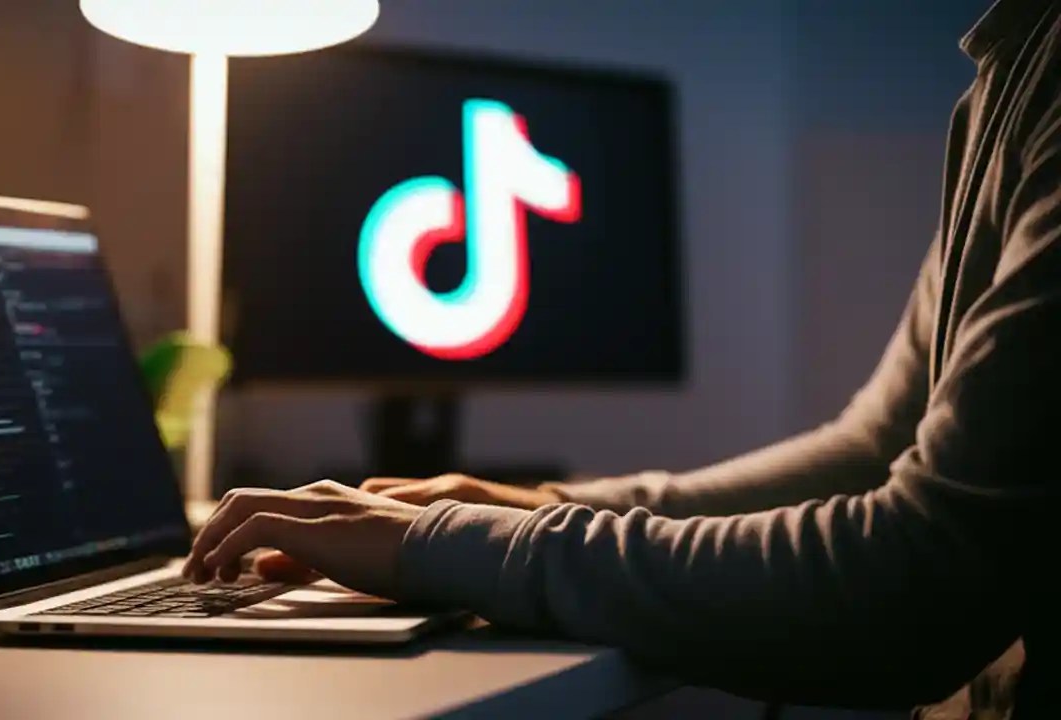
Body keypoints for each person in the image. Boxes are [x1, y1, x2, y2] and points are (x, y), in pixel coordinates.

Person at [183, 0, 1060, 715]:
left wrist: (457, 546)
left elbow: (919, 586)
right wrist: (541, 507)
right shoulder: (1012, 59)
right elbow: (872, 448)